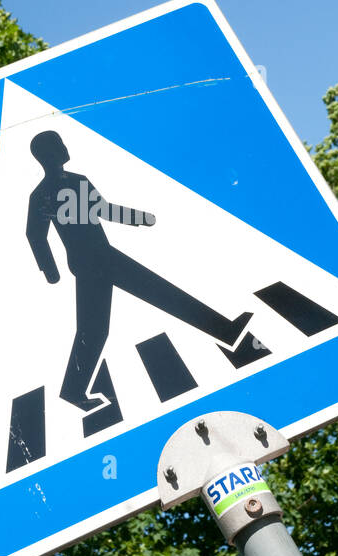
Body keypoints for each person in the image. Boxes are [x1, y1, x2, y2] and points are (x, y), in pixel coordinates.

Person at [26, 130, 253, 410]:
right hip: (87, 265)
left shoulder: (78, 181)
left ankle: (227, 330)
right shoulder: (41, 196)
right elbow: (34, 235)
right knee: (96, 329)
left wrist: (137, 219)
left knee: (158, 296)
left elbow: (103, 210)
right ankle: (73, 391)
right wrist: (51, 271)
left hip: (105, 255)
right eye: (59, 144)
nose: (64, 146)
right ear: (48, 154)